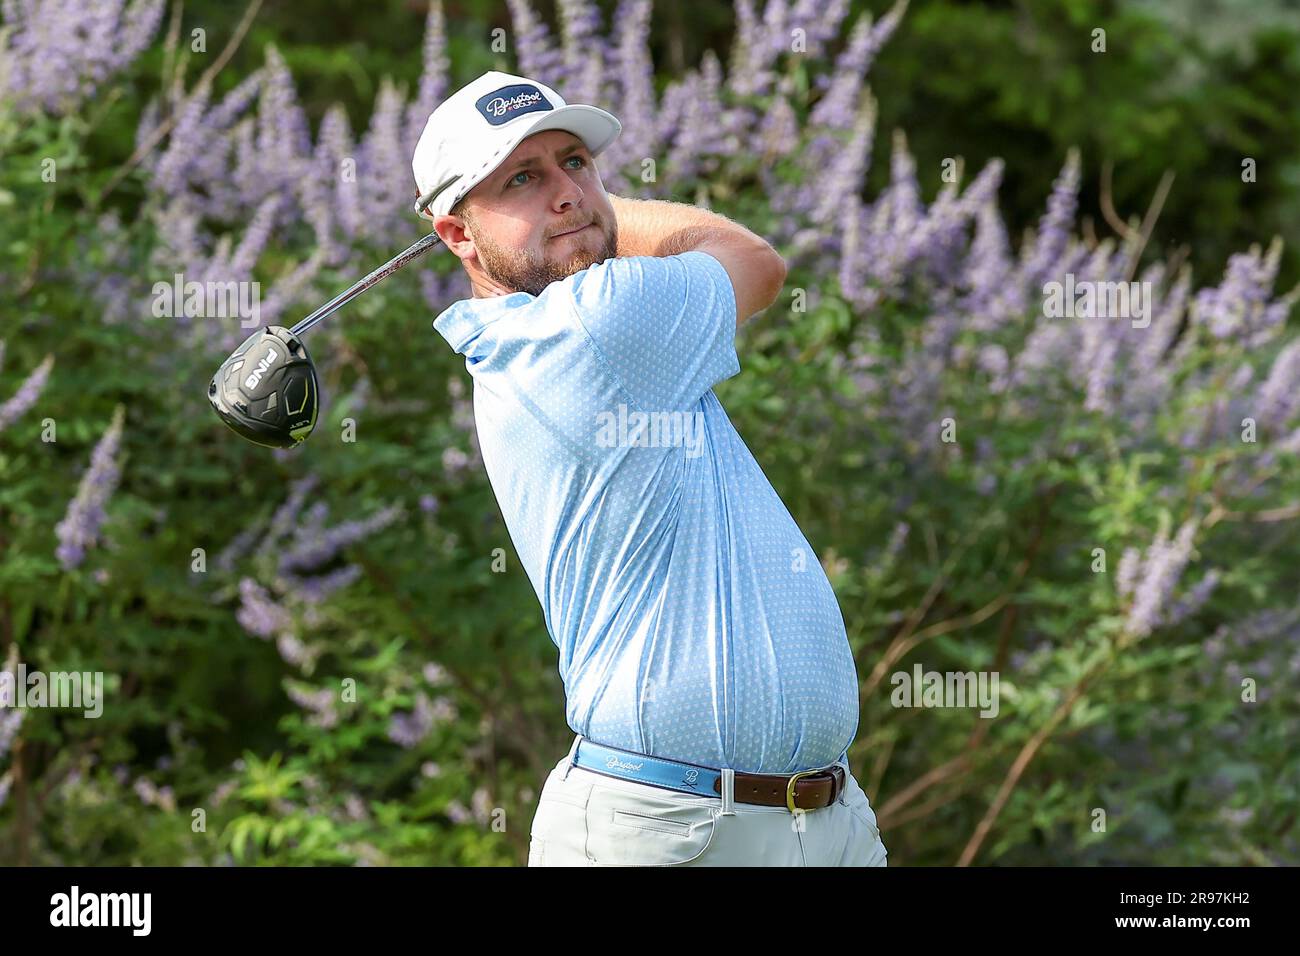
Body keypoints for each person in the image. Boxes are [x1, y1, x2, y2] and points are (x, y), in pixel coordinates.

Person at [412, 70, 887, 866]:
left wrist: (560, 218)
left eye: (575, 163)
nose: (565, 190)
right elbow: (753, 259)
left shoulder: (565, 329)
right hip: (672, 834)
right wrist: (590, 219)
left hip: (819, 823)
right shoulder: (597, 325)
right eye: (523, 178)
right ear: (457, 235)